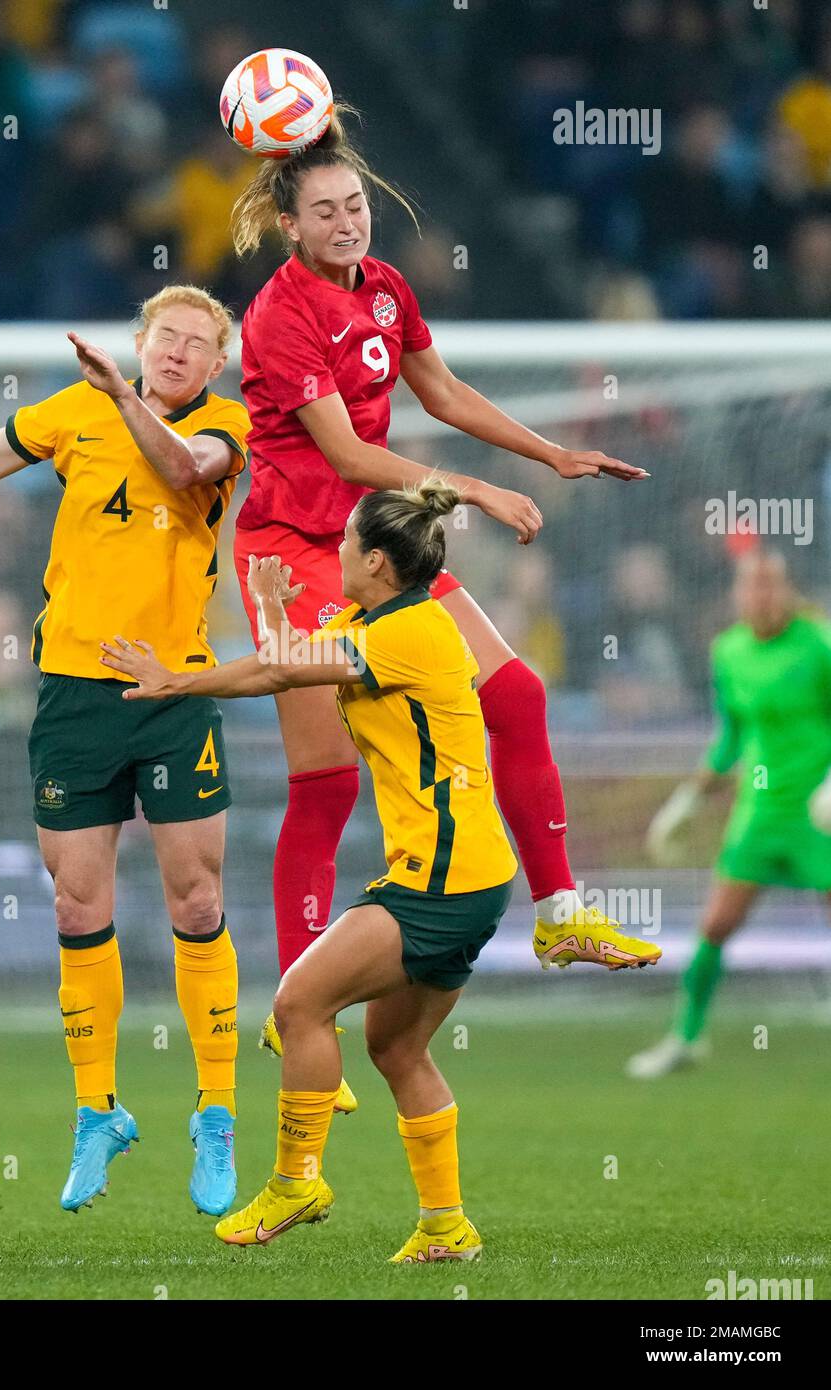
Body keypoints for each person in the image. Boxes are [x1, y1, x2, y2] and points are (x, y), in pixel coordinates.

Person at [227, 107, 659, 1106]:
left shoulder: (384, 290)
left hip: (376, 542)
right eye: (325, 211)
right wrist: (466, 489)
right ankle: (301, 999)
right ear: (289, 226)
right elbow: (343, 455)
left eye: (356, 205)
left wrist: (547, 454)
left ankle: (559, 911)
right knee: (326, 779)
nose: (348, 223)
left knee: (515, 692)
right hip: (296, 547)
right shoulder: (278, 315)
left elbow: (446, 391)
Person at [0, 286, 251, 1216]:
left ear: (216, 364)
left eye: (194, 344)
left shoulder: (227, 424)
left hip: (174, 689)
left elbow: (183, 472)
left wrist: (125, 400)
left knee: (198, 896)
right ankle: (98, 1112)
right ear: (140, 342)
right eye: (162, 338)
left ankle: (215, 1112)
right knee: (76, 901)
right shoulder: (75, 409)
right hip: (74, 693)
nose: (175, 353)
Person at [101, 478, 518, 1261]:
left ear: (373, 560)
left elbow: (280, 670)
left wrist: (212, 650)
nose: (332, 554)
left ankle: (297, 1180)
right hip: (469, 873)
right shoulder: (387, 621)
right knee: (395, 1049)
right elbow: (280, 666)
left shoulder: (407, 635)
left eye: (344, 542)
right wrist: (224, 644)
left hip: (440, 878)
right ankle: (445, 1227)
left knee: (297, 1006)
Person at [631, 550, 831, 1078]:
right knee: (716, 924)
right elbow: (731, 738)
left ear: (787, 591)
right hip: (760, 812)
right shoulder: (730, 651)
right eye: (751, 587)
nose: (761, 596)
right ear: (737, 595)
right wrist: (688, 801)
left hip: (821, 812)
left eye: (771, 586)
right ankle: (686, 1039)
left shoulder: (819, 644)